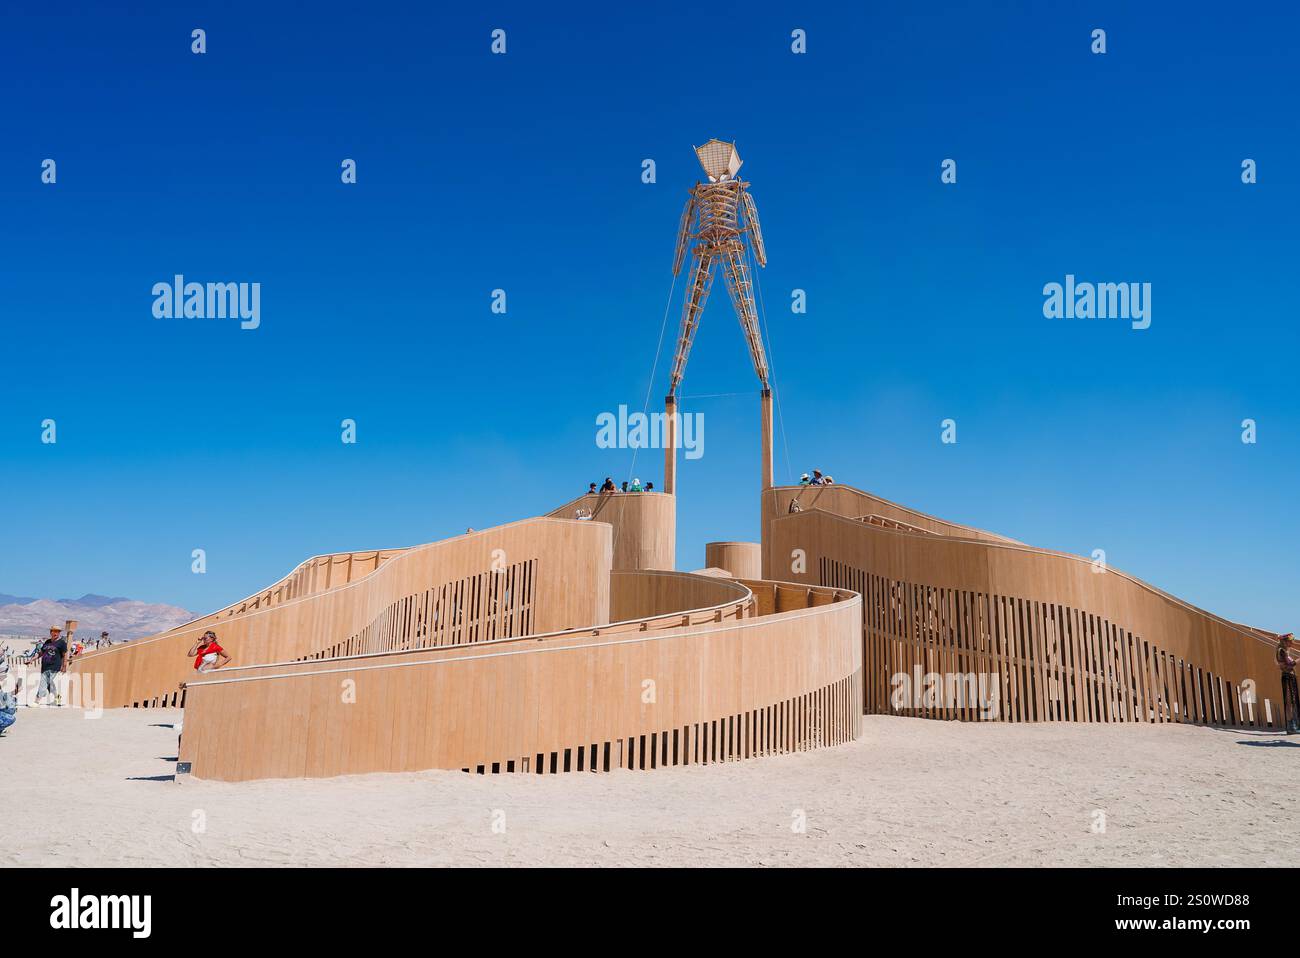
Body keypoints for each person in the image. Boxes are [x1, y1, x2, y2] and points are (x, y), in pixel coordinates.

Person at [33, 626, 67, 707]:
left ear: (59, 633)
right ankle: (57, 698)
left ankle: (37, 701)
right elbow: (41, 653)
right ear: (50, 632)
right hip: (45, 666)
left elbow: (64, 655)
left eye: (57, 632)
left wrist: (64, 666)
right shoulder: (47, 642)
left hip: (54, 667)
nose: (55, 633)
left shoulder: (62, 643)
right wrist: (32, 659)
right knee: (49, 684)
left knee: (44, 683)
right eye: (54, 631)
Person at [1278, 633, 1299, 735]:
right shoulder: (1281, 651)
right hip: (1287, 677)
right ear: (1285, 641)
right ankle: (1291, 726)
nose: (1292, 643)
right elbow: (1290, 664)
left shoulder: (1284, 651)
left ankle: (1293, 724)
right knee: (1289, 702)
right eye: (1290, 641)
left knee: (1292, 701)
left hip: (1289, 677)